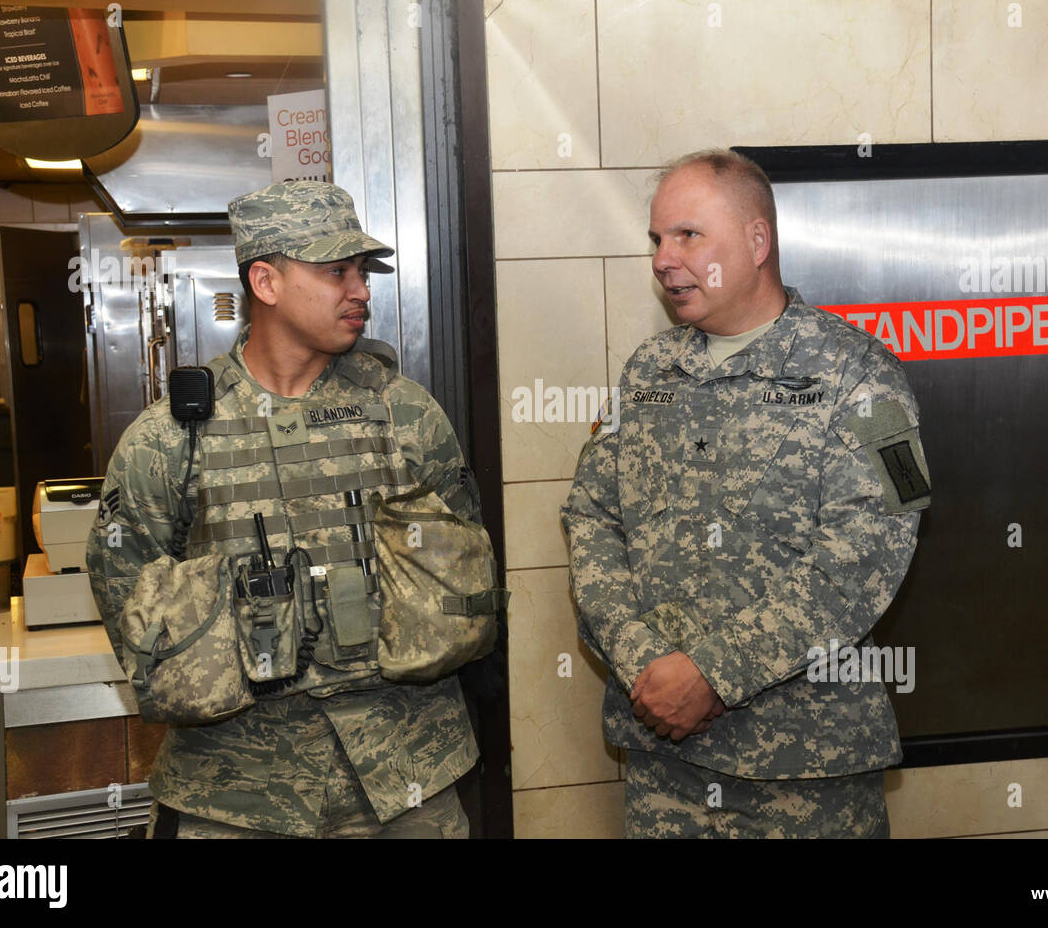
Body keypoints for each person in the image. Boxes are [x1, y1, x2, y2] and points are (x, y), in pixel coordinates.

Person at [87, 180, 491, 838]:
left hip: (407, 779)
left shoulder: (406, 415)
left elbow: (462, 561)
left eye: (362, 271)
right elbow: (124, 592)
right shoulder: (170, 439)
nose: (359, 289)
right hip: (238, 797)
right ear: (266, 282)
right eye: (336, 271)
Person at [561, 149, 931, 838]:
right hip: (666, 768)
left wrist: (714, 672)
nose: (664, 259)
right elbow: (591, 518)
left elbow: (871, 552)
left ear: (757, 241)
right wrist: (643, 660)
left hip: (806, 772)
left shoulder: (859, 374)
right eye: (656, 239)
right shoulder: (649, 372)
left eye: (687, 235)